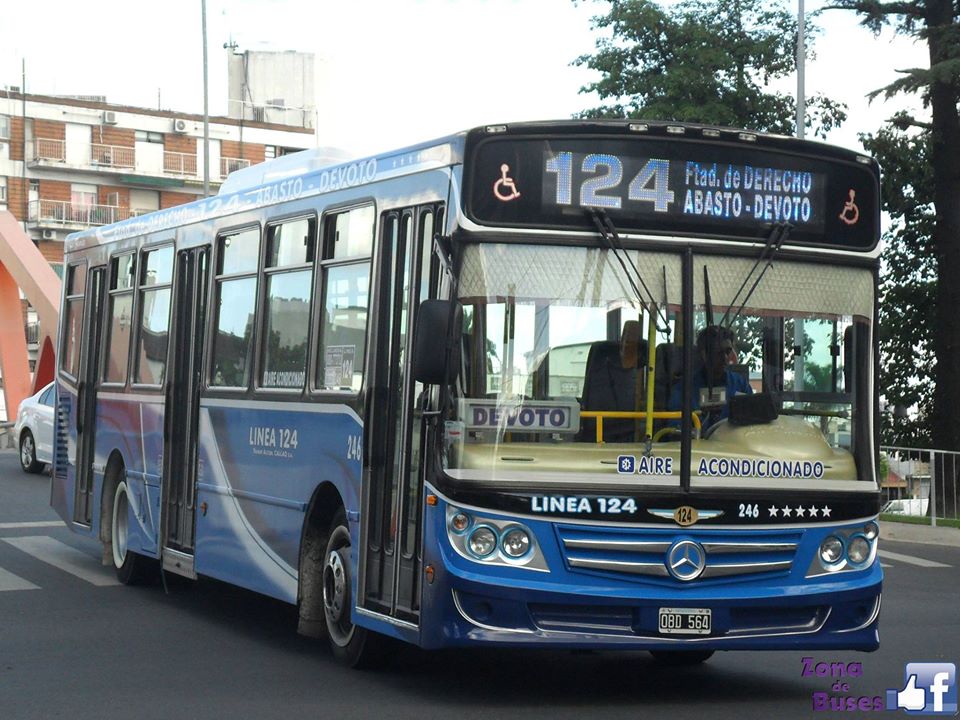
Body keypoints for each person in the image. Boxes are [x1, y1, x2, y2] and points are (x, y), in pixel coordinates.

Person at [669, 324, 752, 431]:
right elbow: (675, 432)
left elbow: (752, 423)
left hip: (734, 445)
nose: (725, 358)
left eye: (728, 352)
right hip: (698, 446)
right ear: (704, 354)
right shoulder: (684, 390)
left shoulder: (740, 385)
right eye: (719, 353)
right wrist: (702, 416)